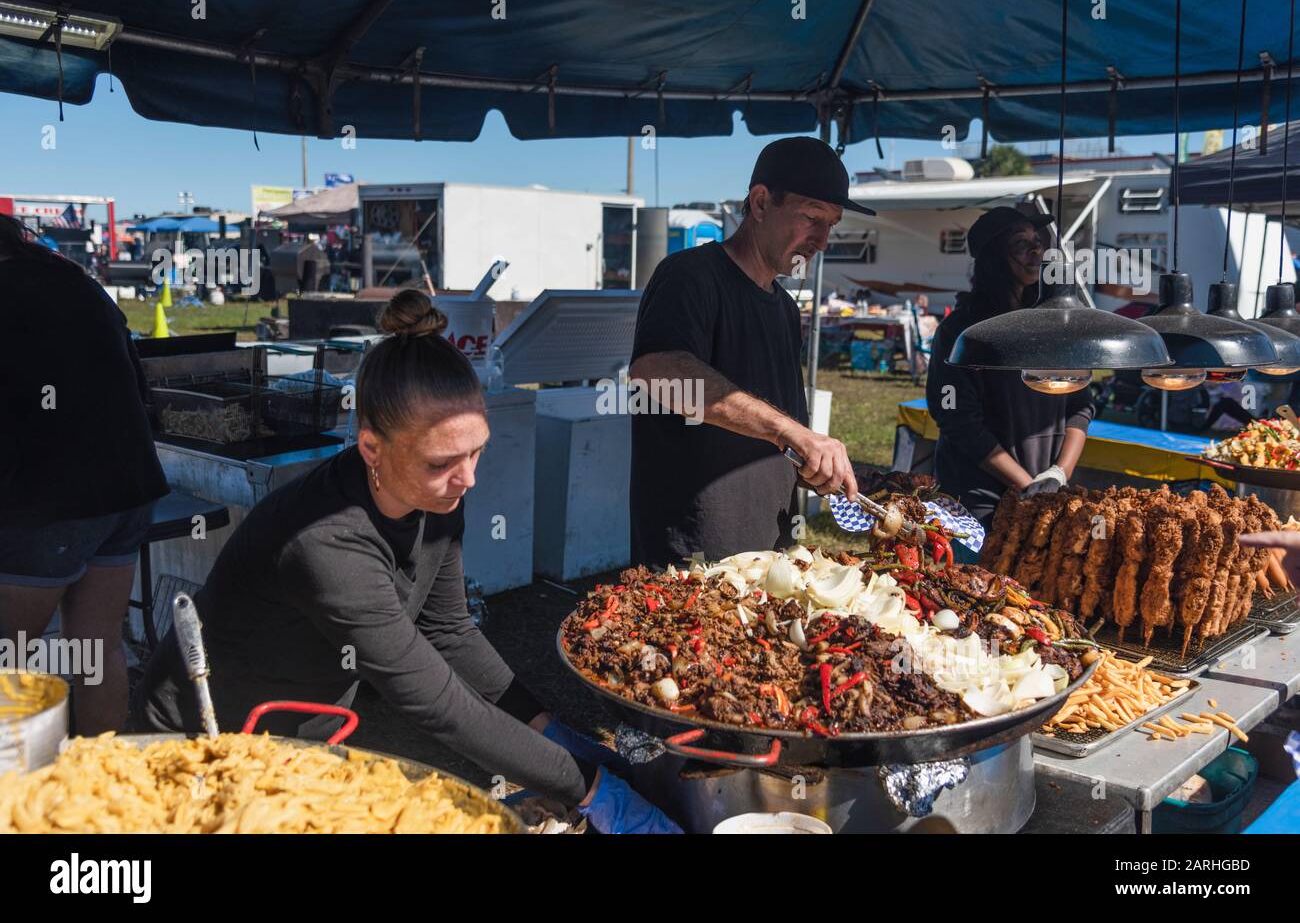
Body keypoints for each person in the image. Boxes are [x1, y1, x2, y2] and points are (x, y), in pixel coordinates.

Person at [131, 288, 678, 833]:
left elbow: (448, 631)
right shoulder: (326, 543)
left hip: (292, 737)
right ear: (371, 447)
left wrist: (552, 731)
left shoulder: (433, 497)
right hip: (201, 737)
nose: (469, 479)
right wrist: (592, 788)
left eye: (477, 450)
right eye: (443, 461)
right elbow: (437, 703)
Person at [628, 137, 869, 568]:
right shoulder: (690, 275)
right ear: (760, 203)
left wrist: (814, 464)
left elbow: (785, 426)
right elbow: (655, 371)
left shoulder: (785, 309)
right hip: (695, 548)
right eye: (812, 218)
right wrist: (787, 431)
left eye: (832, 224)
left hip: (771, 543)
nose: (822, 240)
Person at [0, 213, 169, 735]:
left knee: (9, 656)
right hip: (126, 487)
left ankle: (19, 794)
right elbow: (138, 386)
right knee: (98, 646)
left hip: (48, 499)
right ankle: (104, 777)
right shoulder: (79, 283)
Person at [924, 207, 1095, 526]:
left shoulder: (1056, 324)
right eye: (1020, 243)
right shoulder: (961, 332)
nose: (1036, 250)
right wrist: (1027, 485)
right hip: (977, 499)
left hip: (1046, 492)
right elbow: (957, 418)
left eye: (1037, 241)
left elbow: (1080, 406)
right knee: (979, 577)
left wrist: (1058, 473)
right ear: (993, 258)